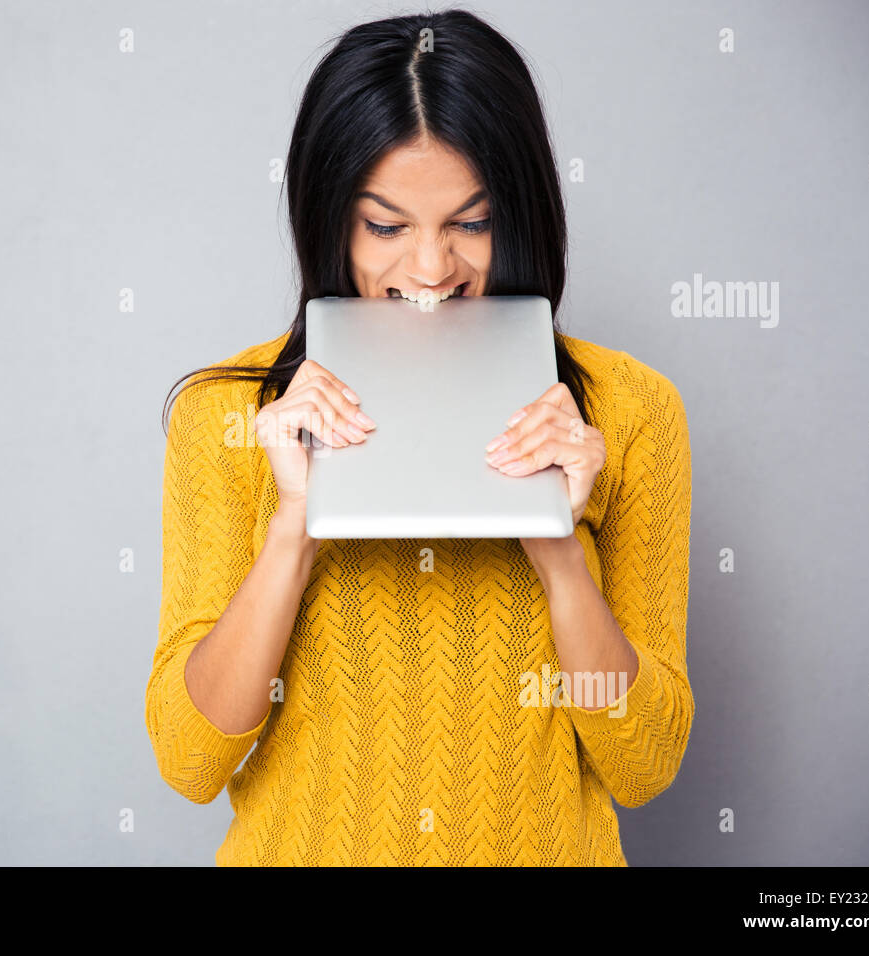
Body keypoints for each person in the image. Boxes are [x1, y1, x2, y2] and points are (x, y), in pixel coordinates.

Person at [145, 8, 693, 866]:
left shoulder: (628, 410)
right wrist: (294, 523)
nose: (432, 270)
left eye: (471, 223)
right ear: (328, 219)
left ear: (522, 213)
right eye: (386, 227)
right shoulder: (229, 419)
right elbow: (189, 756)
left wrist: (559, 549)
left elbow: (645, 765)